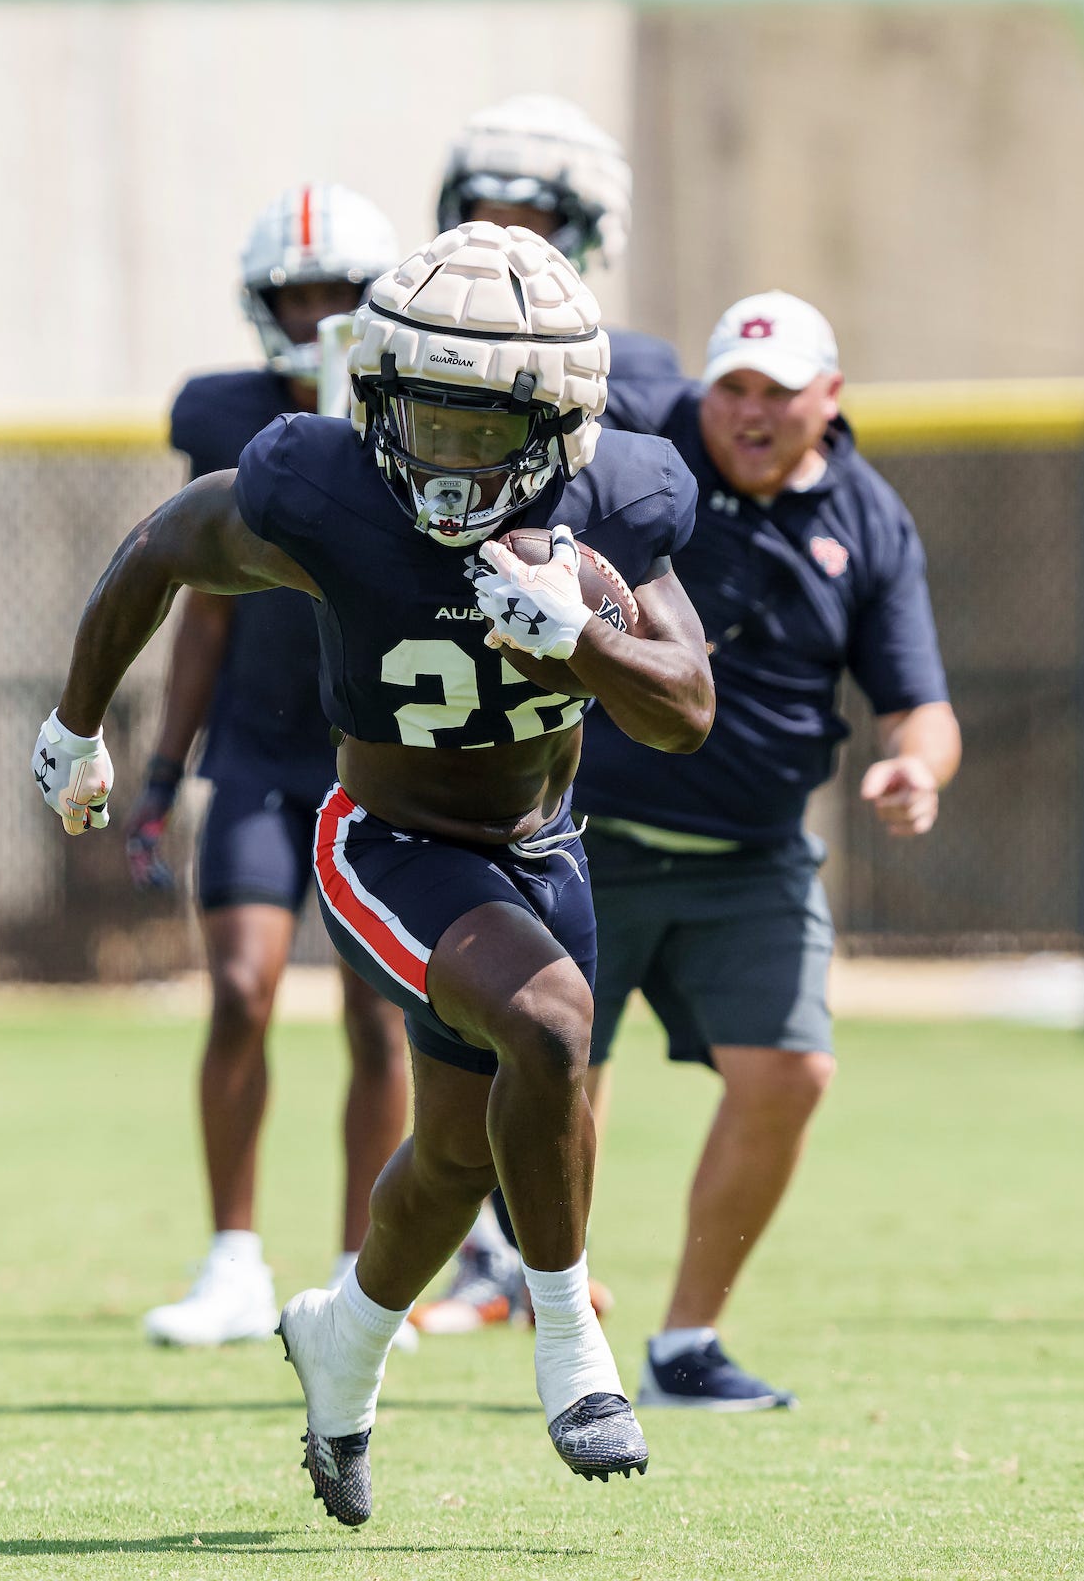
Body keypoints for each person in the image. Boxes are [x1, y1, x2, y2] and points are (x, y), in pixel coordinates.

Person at [33, 223, 713, 1520]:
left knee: (454, 1161)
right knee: (556, 1026)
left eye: (478, 429)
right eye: (422, 421)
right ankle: (572, 1347)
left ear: (562, 430)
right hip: (386, 843)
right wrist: (76, 726)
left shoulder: (616, 499)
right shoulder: (324, 488)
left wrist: (581, 642)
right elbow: (164, 546)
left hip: (539, 851)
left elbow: (685, 706)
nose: (443, 459)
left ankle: (339, 1345)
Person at [575, 292, 958, 1410]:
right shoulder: (641, 474)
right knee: (548, 1075)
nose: (750, 412)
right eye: (732, 388)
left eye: (778, 393)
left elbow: (920, 702)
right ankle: (551, 1290)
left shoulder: (872, 520)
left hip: (750, 856)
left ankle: (686, 1343)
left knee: (791, 1070)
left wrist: (915, 769)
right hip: (583, 835)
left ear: (828, 402)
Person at [122, 184, 419, 1351]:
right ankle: (233, 1258)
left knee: (376, 1016)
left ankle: (364, 1274)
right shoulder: (227, 412)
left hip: (380, 755)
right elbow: (203, 600)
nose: (317, 315)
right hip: (258, 746)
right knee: (241, 990)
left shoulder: (418, 411)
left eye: (338, 292)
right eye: (295, 294)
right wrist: (161, 771)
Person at [415, 90, 679, 1334]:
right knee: (469, 1025)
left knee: (573, 1019)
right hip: (438, 717)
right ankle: (465, 1251)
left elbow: (660, 568)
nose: (507, 237)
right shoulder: (411, 348)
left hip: (572, 729)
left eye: (535, 216)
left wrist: (598, 635)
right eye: (485, 213)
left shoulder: (644, 399)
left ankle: (539, 1252)